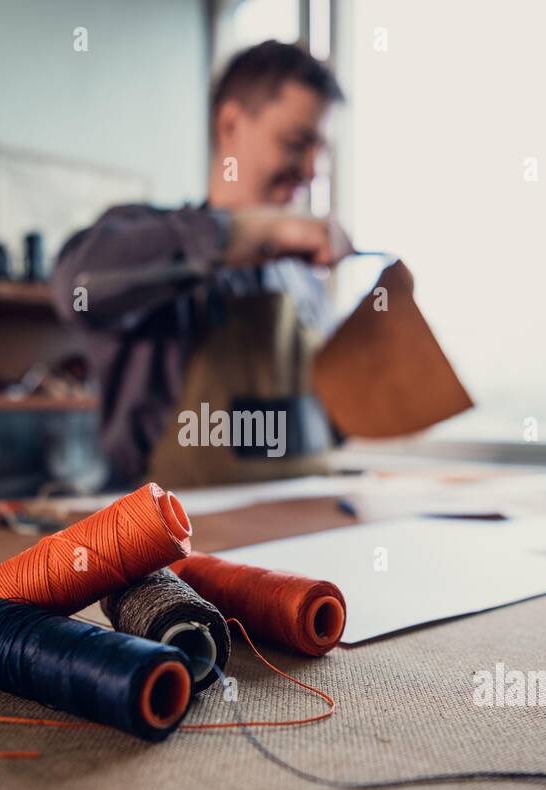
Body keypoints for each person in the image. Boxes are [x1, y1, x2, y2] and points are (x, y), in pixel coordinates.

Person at [51, 40, 352, 488]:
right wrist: (255, 231)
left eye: (320, 150)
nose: (312, 170)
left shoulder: (303, 278)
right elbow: (76, 288)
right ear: (231, 124)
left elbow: (318, 425)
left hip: (302, 523)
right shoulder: (149, 239)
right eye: (295, 143)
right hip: (180, 541)